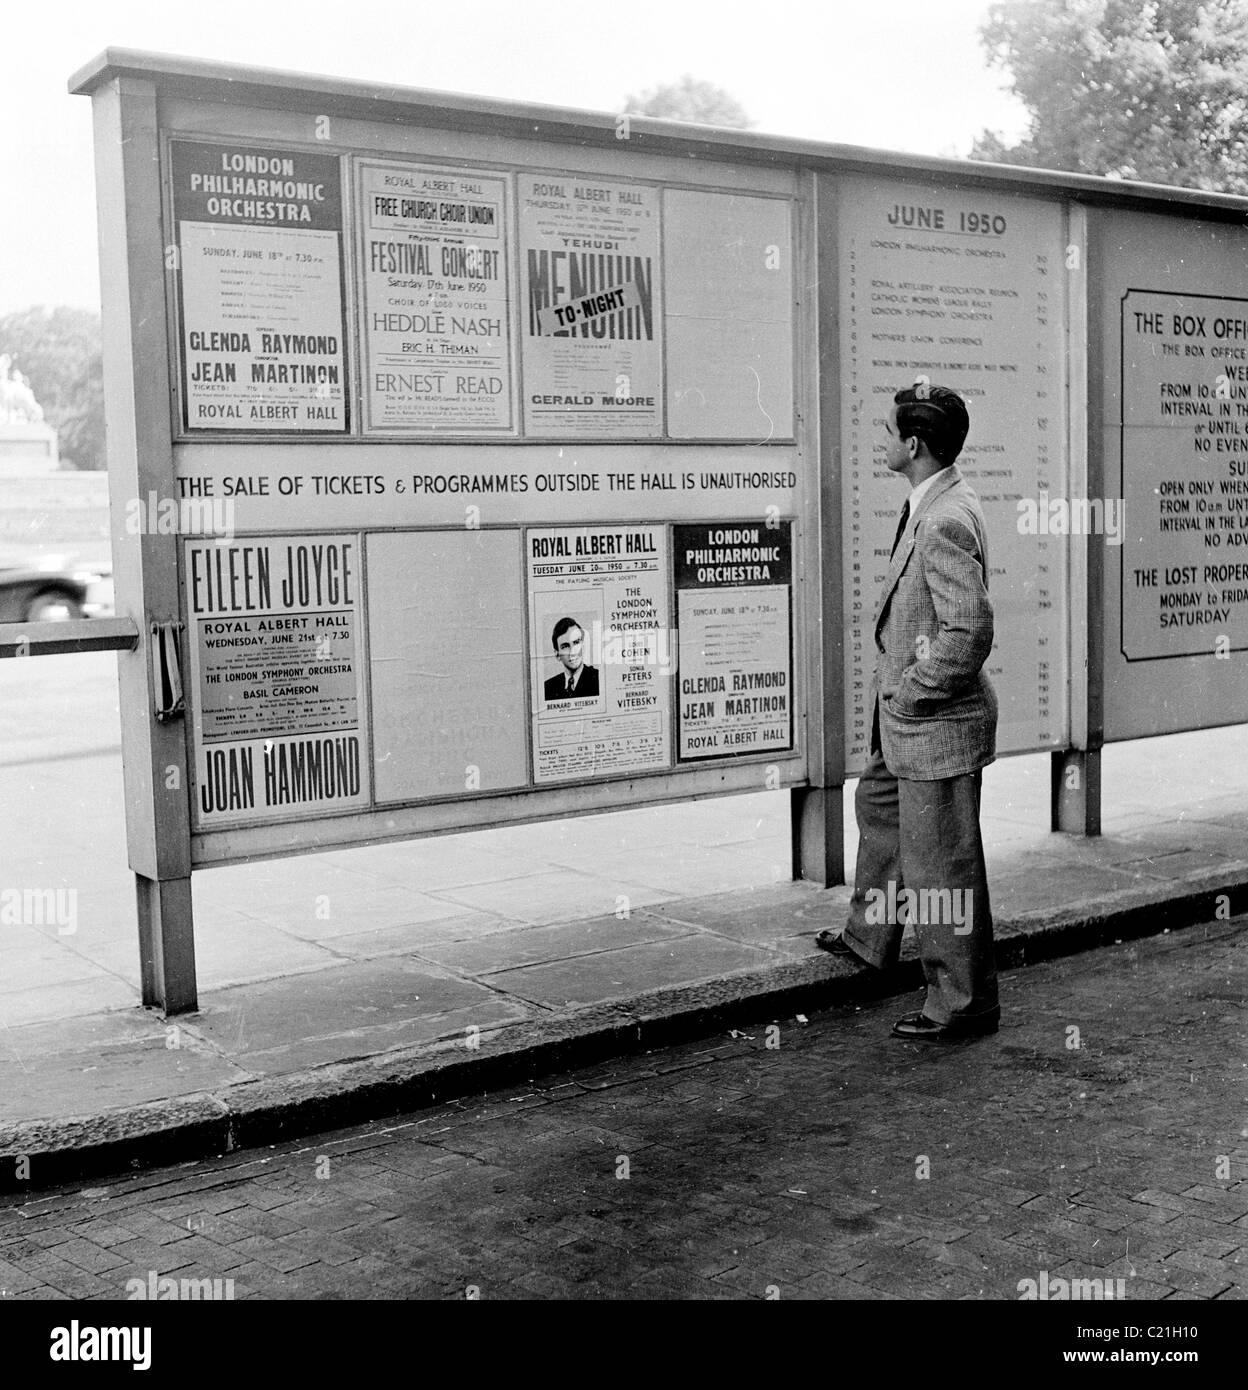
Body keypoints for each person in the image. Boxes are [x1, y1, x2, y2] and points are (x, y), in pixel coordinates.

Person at [817, 379, 1000, 1042]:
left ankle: (962, 1001)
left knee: (940, 868)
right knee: (882, 818)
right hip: (905, 722)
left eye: (888, 433)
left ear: (914, 444)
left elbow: (969, 631)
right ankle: (870, 944)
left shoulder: (944, 517)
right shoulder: (937, 496)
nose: (881, 442)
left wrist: (910, 691)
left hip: (932, 720)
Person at [543, 616, 600, 700]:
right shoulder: (547, 688)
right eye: (565, 646)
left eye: (576, 642)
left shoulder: (598, 679)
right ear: (557, 655)